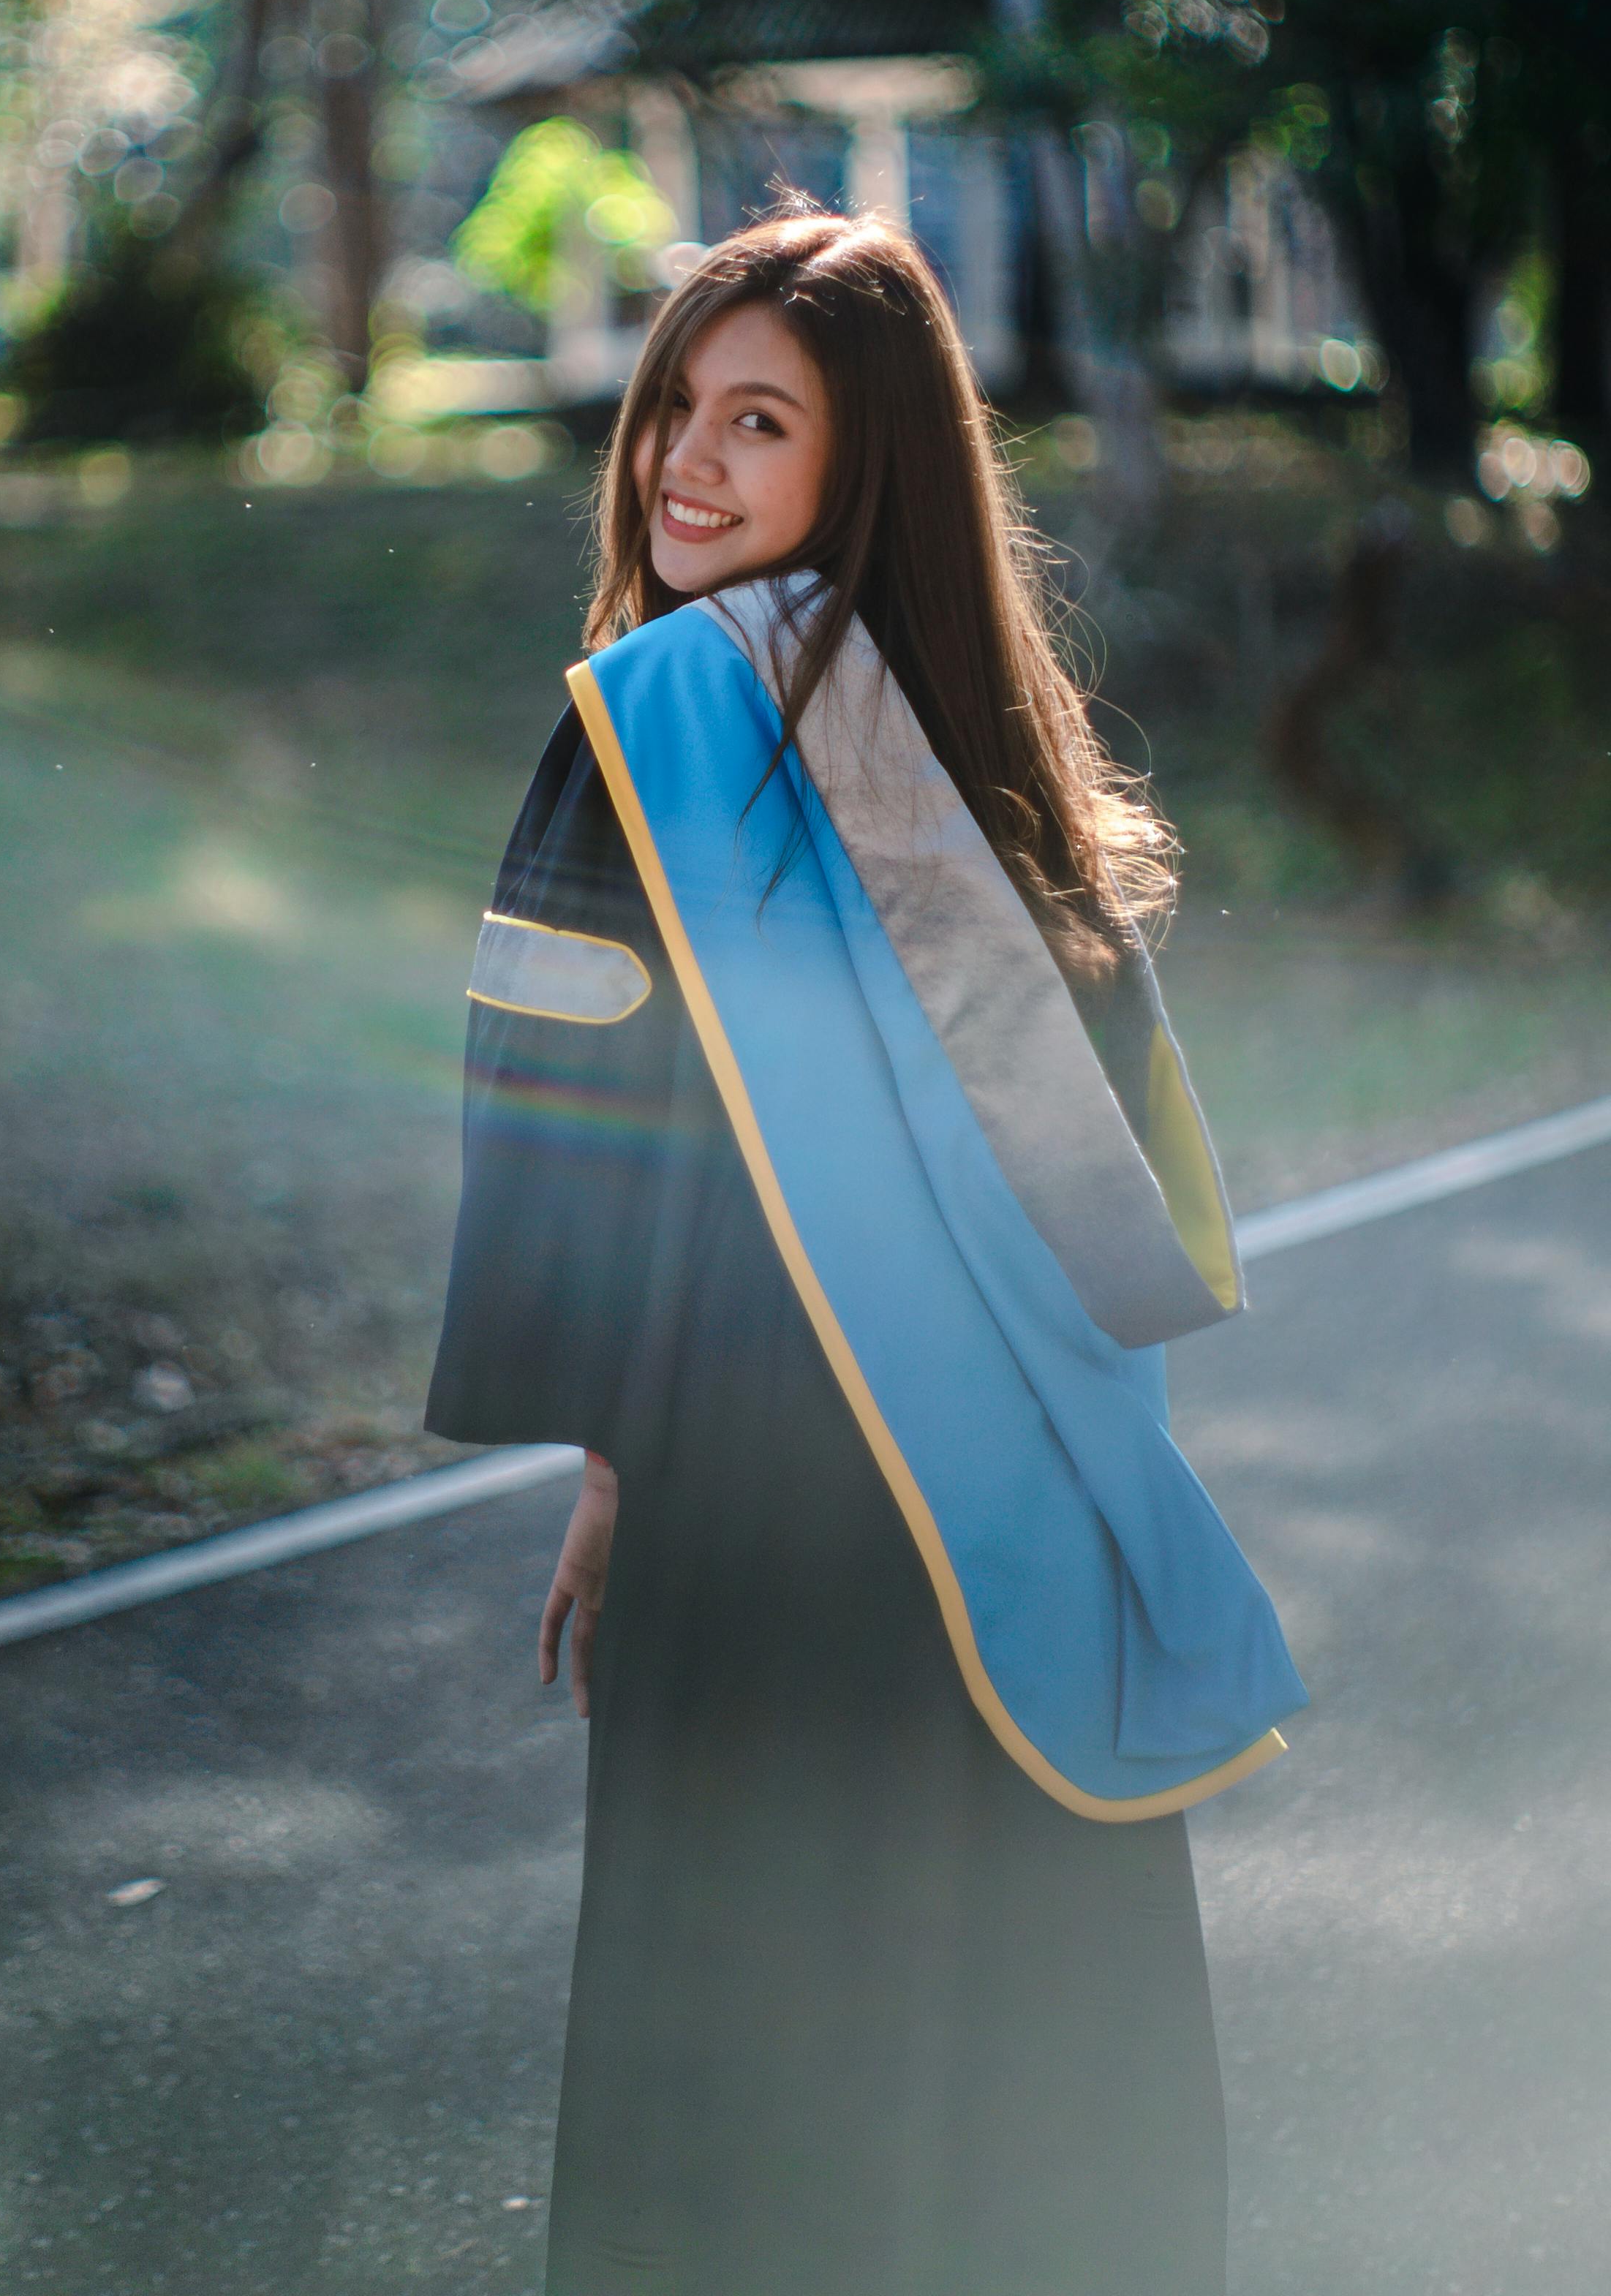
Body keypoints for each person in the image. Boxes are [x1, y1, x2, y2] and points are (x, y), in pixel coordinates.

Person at [426, 216, 1302, 2296]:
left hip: (748, 1490)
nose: (687, 467)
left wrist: (611, 1458)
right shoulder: (988, 758)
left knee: (743, 2059)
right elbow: (1111, 1212)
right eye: (675, 414)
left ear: (868, 461)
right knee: (999, 2020)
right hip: (1000, 1482)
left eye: (759, 422)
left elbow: (568, 1114)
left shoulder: (654, 722)